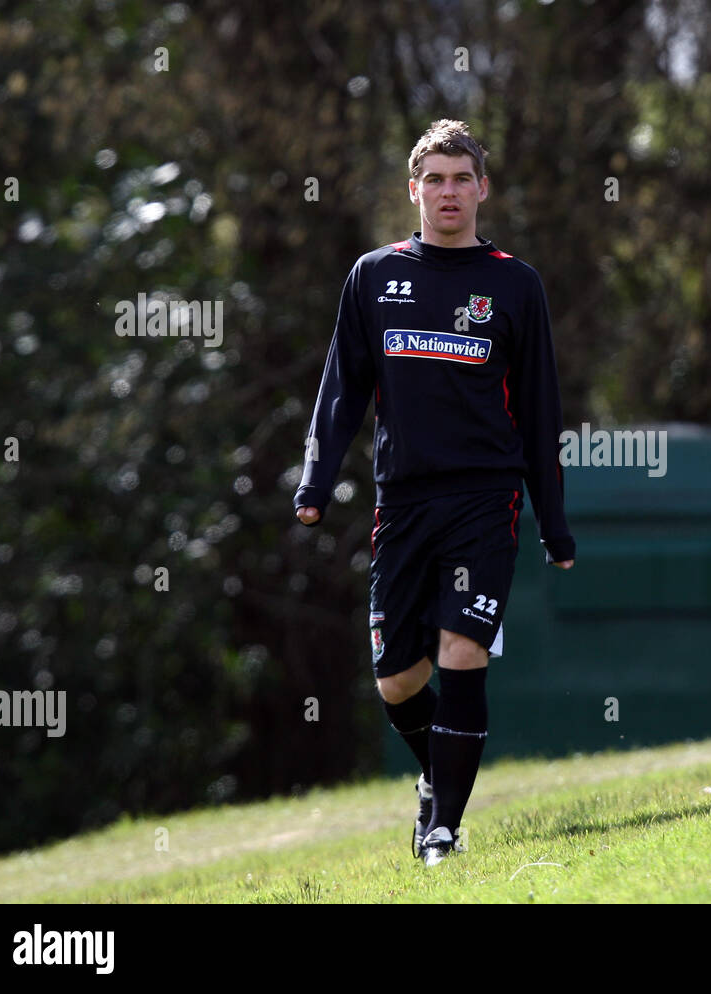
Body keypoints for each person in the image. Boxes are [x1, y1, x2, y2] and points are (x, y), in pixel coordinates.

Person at [294, 120, 575, 864]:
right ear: (413, 190)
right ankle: (437, 780)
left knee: (462, 651)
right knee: (396, 679)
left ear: (482, 189)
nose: (448, 192)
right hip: (404, 502)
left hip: (486, 499)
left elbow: (543, 410)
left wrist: (554, 520)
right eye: (435, 180)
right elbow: (341, 392)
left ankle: (443, 830)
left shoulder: (515, 284)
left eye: (461, 179)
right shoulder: (374, 276)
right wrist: (316, 480)